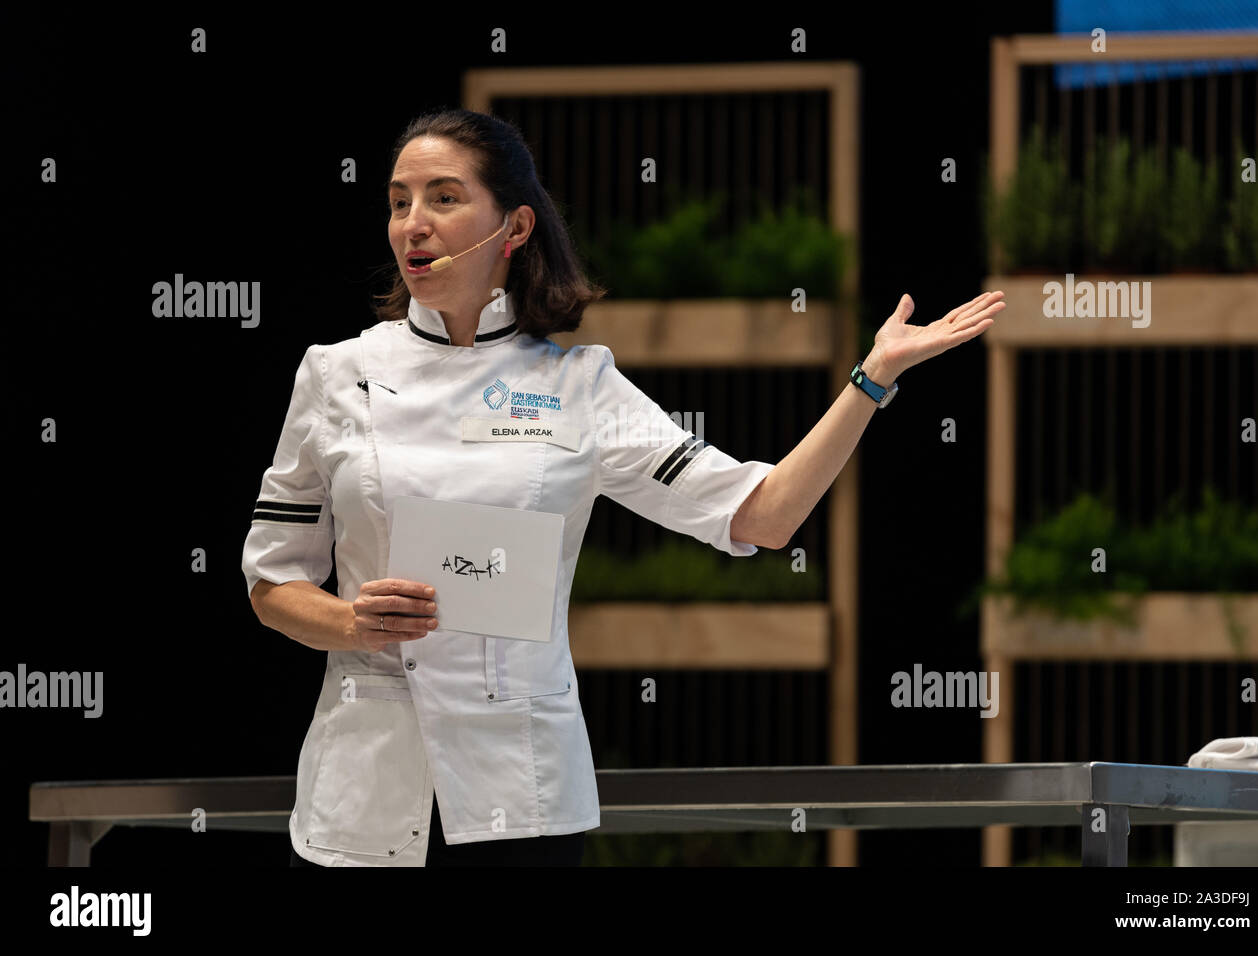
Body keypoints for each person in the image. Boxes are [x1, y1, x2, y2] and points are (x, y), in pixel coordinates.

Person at [243, 108, 1005, 867]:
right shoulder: (335, 373)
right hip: (368, 789)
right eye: (398, 200)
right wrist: (351, 624)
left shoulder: (580, 385)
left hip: (525, 792)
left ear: (513, 228)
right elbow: (272, 581)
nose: (414, 223)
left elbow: (762, 516)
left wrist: (872, 380)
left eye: (444, 198)